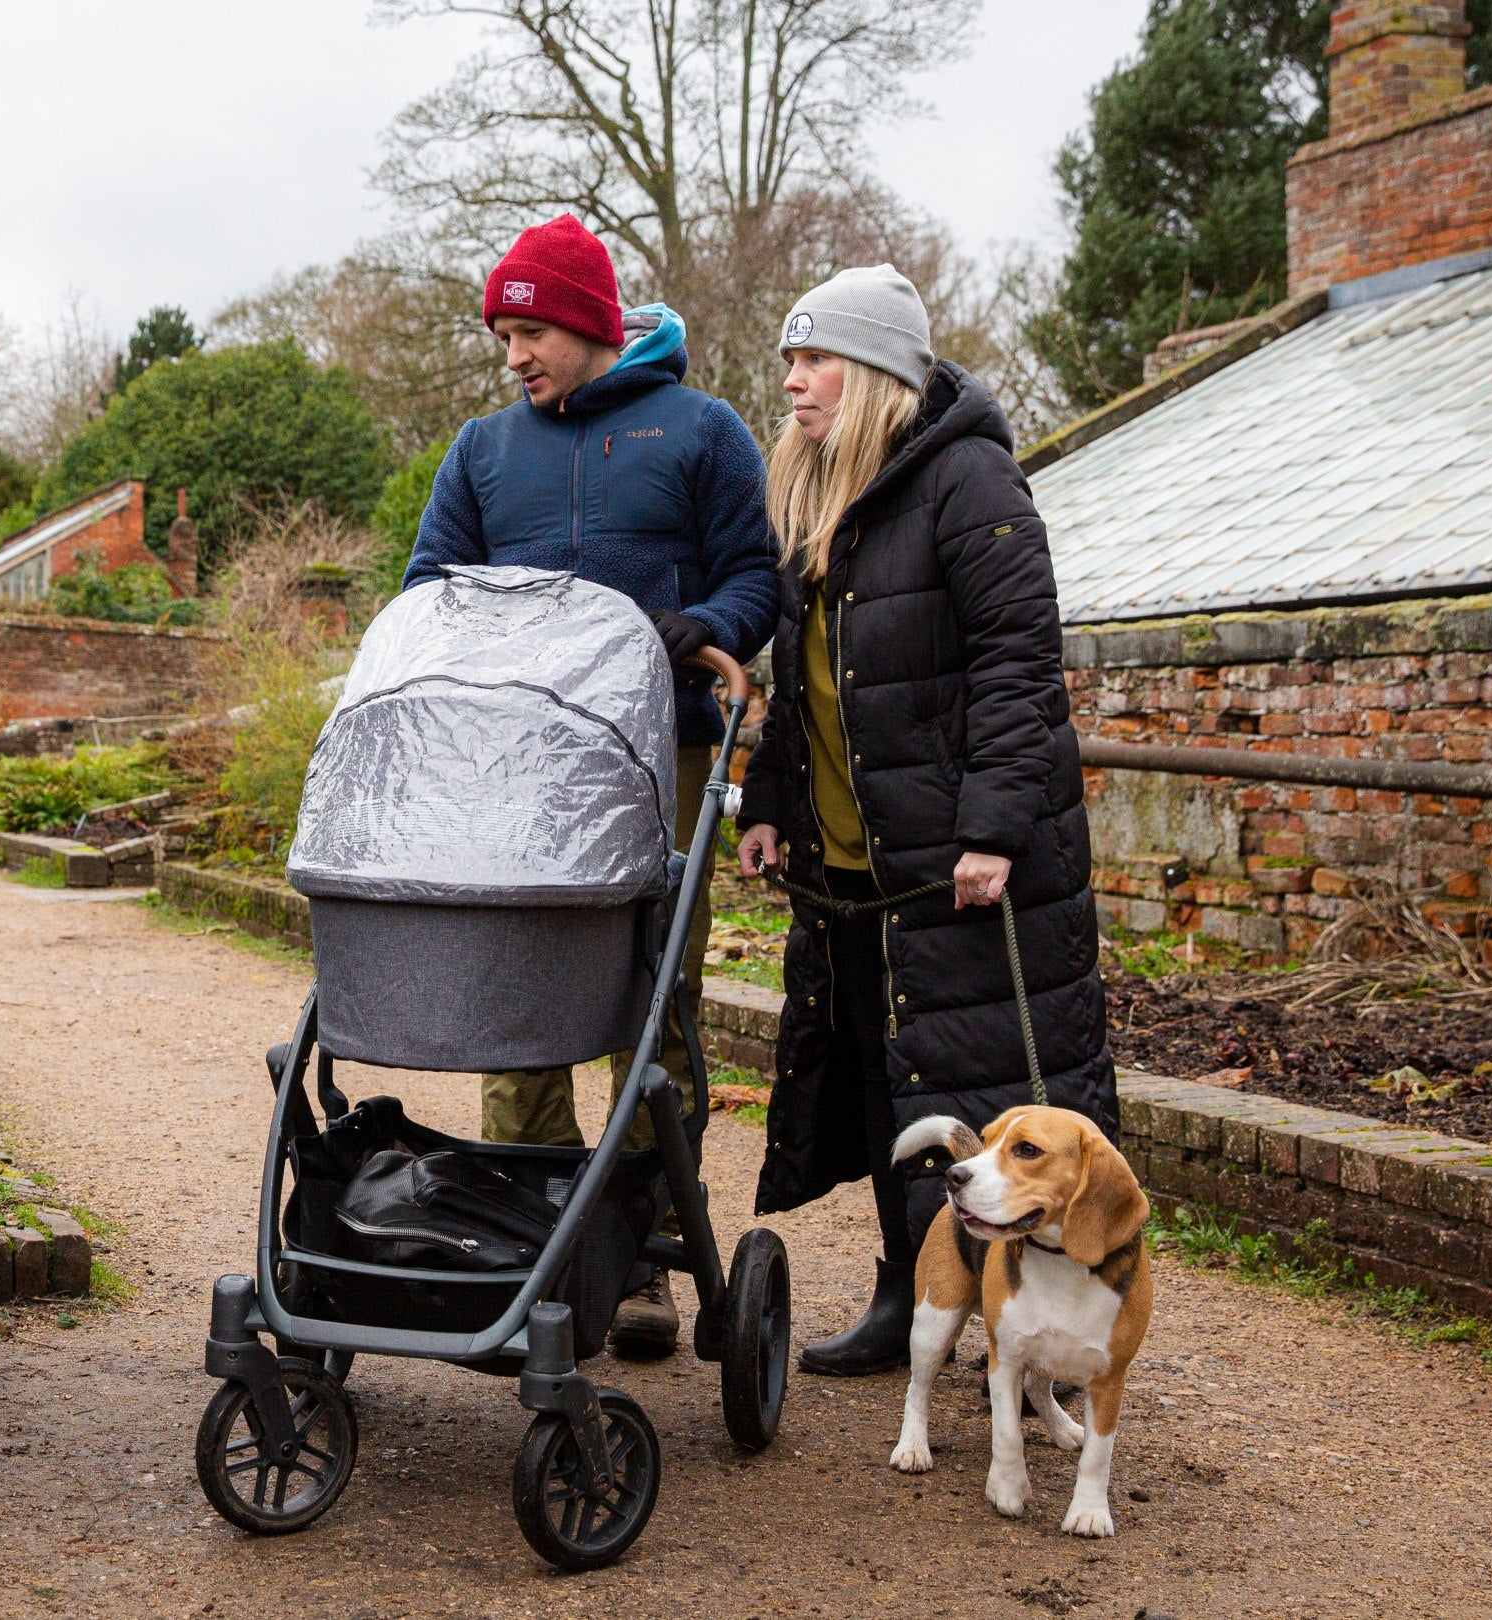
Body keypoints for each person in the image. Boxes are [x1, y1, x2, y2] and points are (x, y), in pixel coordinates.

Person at [405, 213, 780, 1358]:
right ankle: (528, 1251)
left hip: (653, 752)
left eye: (528, 330)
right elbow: (427, 589)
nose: (512, 355)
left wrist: (702, 626)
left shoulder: (702, 432)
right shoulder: (481, 451)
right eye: (501, 335)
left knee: (647, 995)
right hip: (511, 768)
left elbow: (755, 579)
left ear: (586, 321)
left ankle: (643, 1261)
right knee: (515, 984)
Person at [731, 265, 1116, 1377]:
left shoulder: (971, 484)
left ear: (876, 376)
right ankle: (910, 1297)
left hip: (961, 870)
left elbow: (1019, 669)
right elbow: (799, 684)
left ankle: (1037, 1326)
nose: (792, 381)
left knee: (985, 1094)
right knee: (889, 1089)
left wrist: (992, 827)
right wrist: (768, 804)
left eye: (813, 362)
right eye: (789, 362)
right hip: (860, 874)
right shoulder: (816, 496)